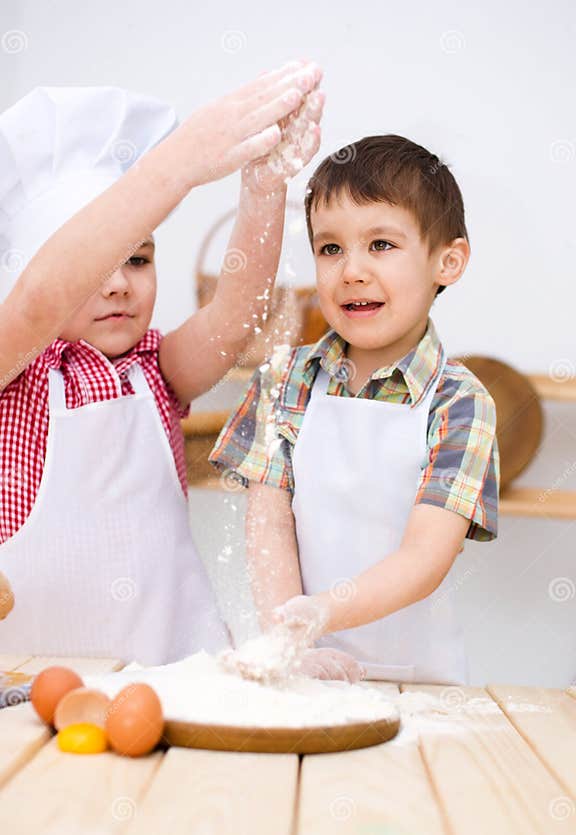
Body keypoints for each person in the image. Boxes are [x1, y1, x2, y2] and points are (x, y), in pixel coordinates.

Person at [0, 61, 324, 665]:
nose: (120, 285)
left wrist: (264, 189)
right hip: (26, 694)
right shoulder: (12, 371)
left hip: (172, 680)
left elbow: (236, 313)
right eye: (95, 267)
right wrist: (179, 163)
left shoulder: (155, 369)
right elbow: (38, 302)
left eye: (140, 259)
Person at [209, 134, 499, 685]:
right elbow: (269, 524)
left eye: (381, 245)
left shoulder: (460, 405)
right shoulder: (284, 381)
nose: (351, 270)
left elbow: (425, 557)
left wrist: (322, 612)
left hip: (419, 688)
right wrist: (289, 638)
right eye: (331, 248)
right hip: (305, 672)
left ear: (448, 261)